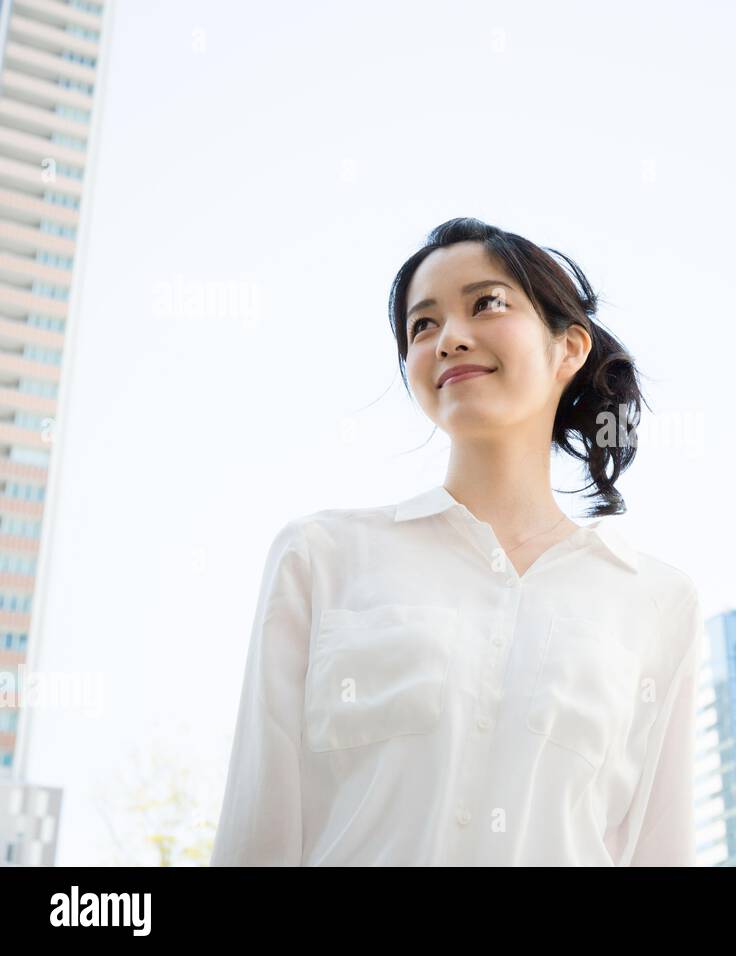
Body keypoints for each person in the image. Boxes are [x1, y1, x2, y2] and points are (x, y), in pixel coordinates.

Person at [210, 217, 704, 866]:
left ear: (569, 348)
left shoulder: (657, 602)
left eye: (486, 304)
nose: (450, 339)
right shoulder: (321, 556)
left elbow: (657, 848)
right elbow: (258, 830)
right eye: (423, 325)